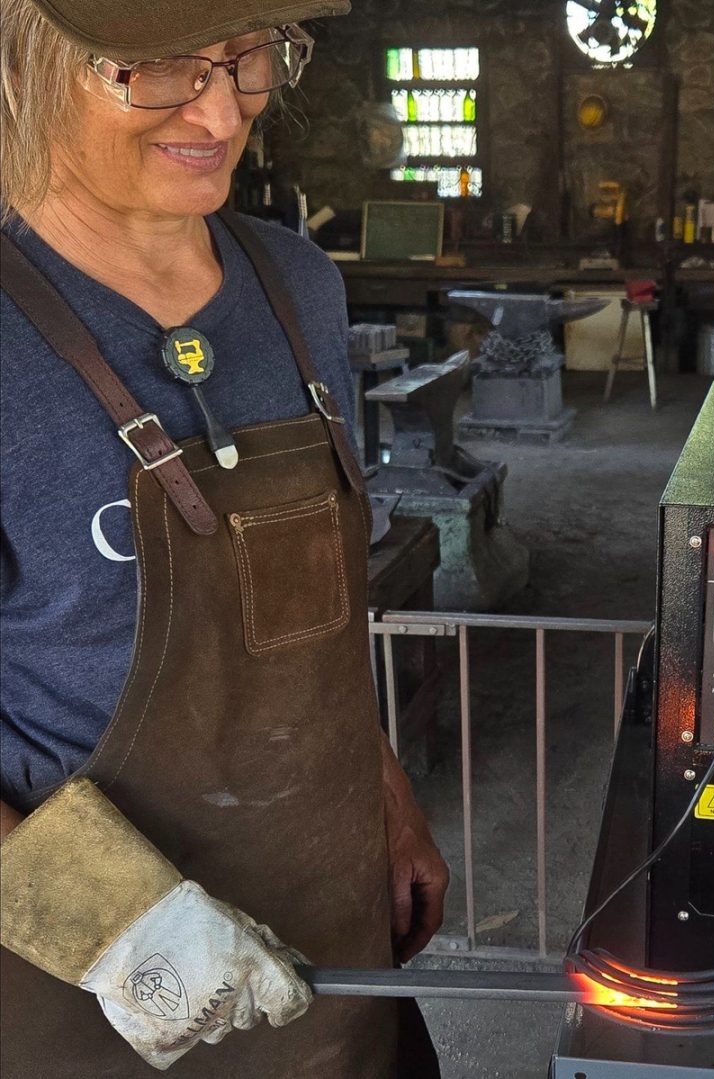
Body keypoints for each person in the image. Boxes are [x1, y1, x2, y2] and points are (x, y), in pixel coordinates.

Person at [0, 1, 449, 1074]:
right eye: (158, 68)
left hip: (333, 927)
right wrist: (107, 925)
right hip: (94, 984)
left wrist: (382, 797)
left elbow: (309, 624)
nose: (220, 109)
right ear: (29, 60)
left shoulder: (298, 284)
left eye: (246, 58)